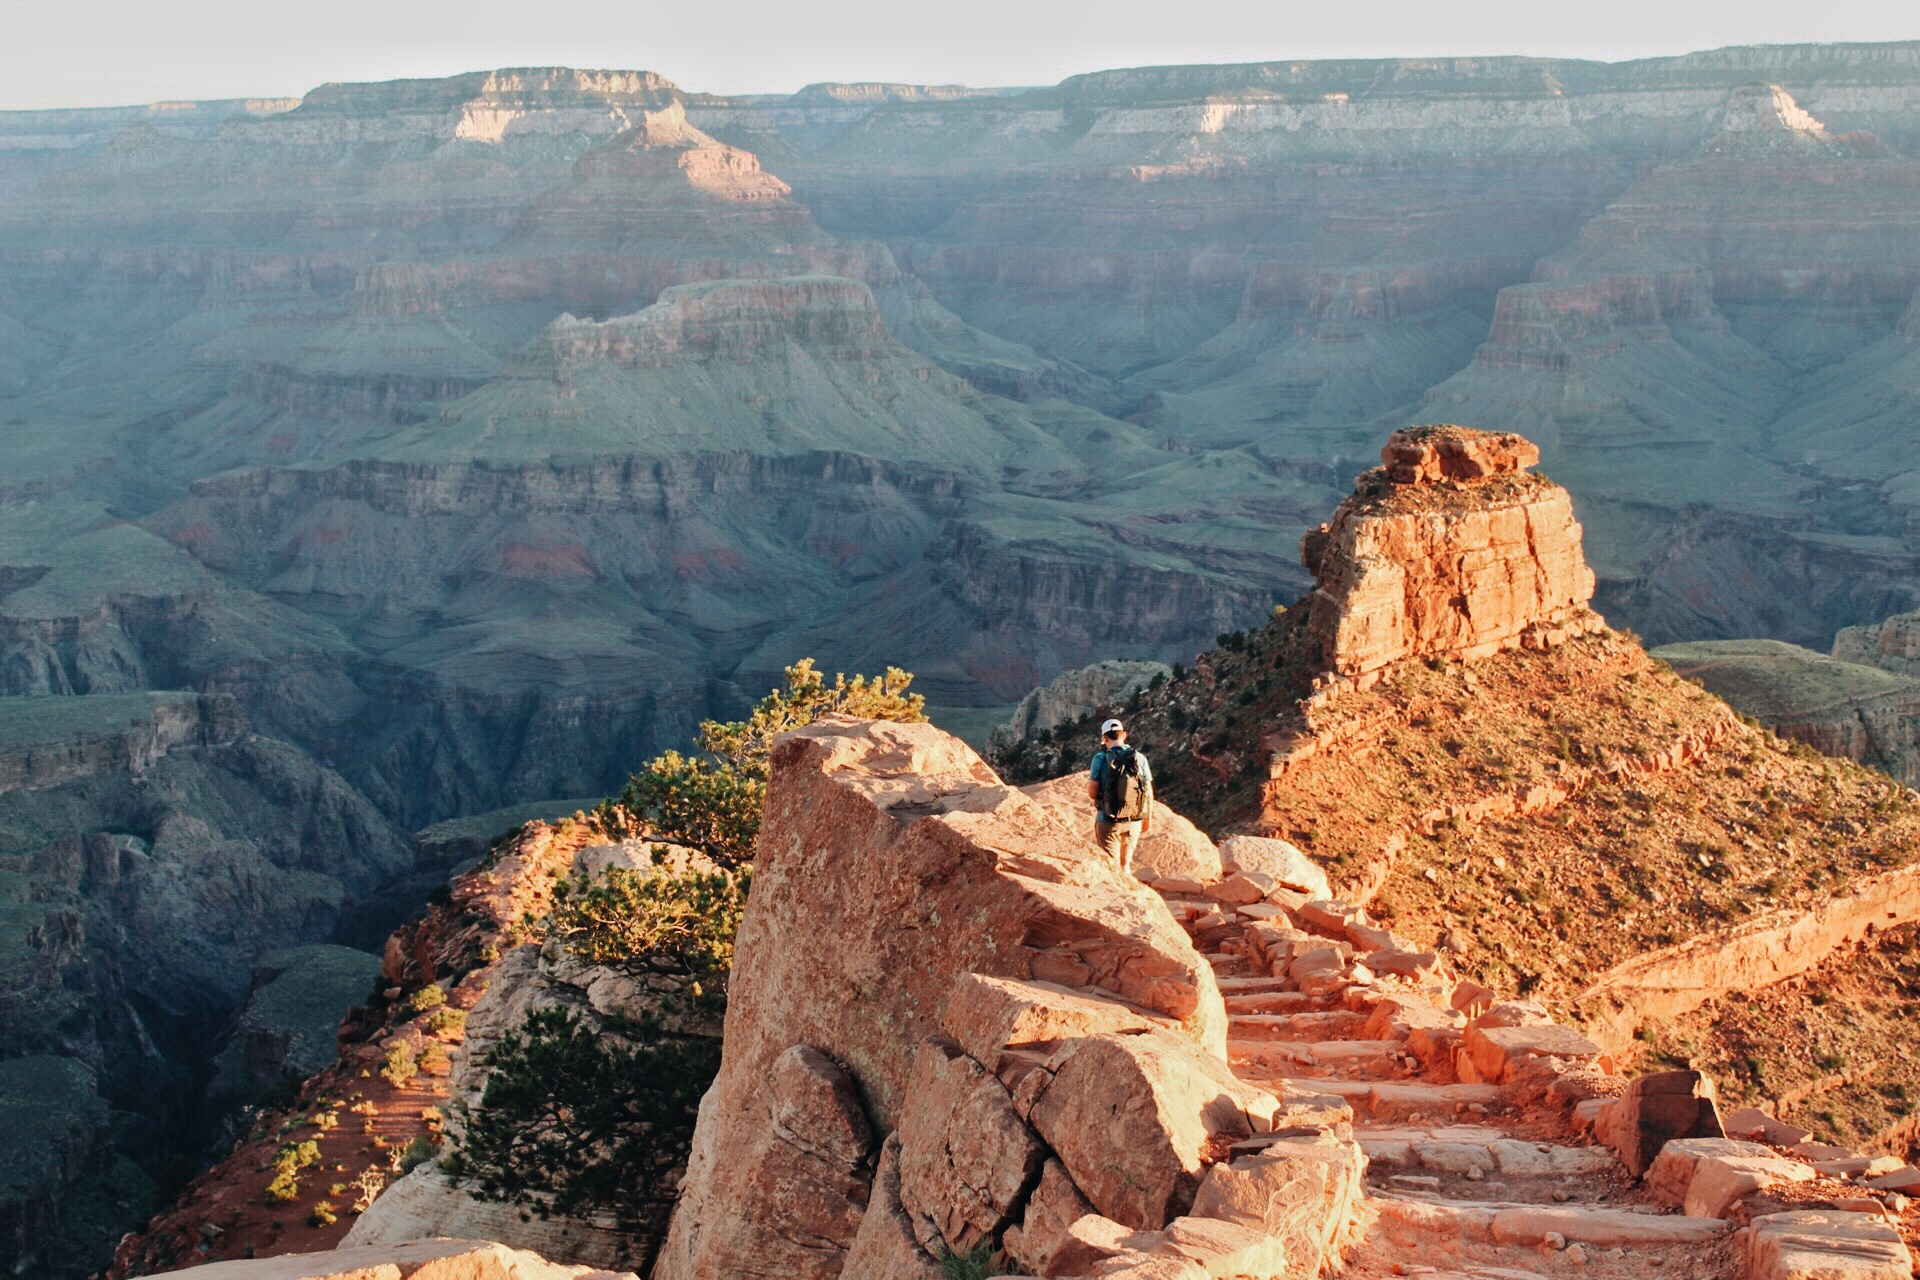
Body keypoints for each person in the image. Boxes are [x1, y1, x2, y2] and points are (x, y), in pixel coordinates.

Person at [1088, 717, 1153, 875]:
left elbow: (1092, 793)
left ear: (1105, 738)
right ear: (1124, 735)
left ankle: (1116, 898)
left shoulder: (1100, 759)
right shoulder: (1139, 758)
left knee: (1112, 868)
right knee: (1125, 867)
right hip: (1134, 820)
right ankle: (1130, 896)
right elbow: (1148, 792)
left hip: (1108, 820)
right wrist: (1148, 818)